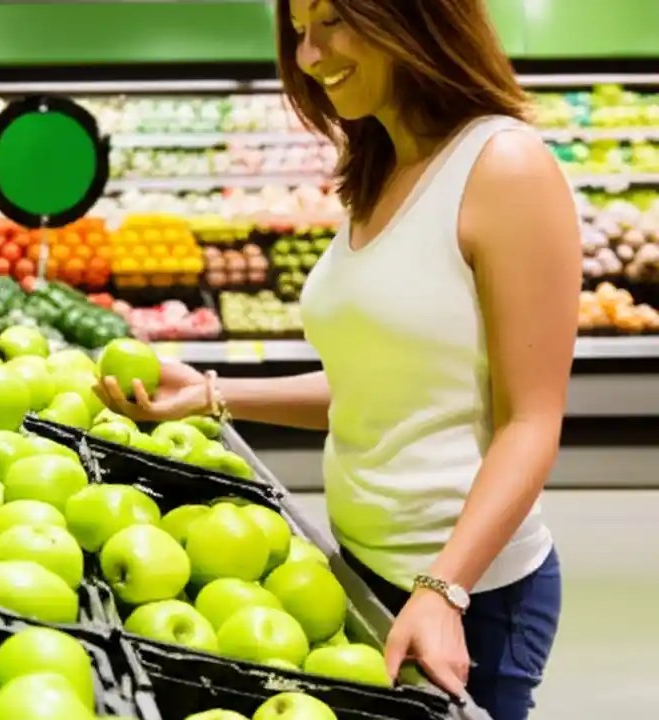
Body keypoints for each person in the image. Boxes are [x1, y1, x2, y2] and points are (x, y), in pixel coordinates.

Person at [97, 1, 576, 718]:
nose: (311, 56)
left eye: (331, 22)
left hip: (474, 593)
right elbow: (376, 386)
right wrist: (210, 392)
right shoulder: (378, 168)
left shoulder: (503, 166)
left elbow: (531, 423)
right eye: (298, 33)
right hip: (362, 565)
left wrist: (446, 589)